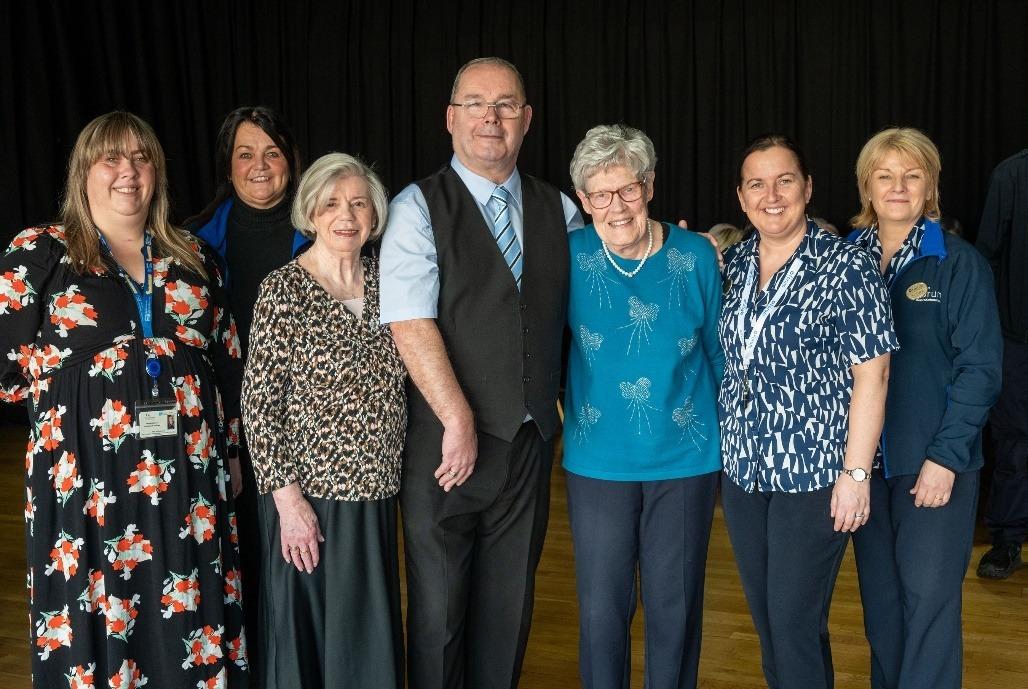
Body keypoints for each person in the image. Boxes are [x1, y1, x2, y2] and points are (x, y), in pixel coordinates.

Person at [0, 112, 247, 687]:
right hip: (86, 479)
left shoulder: (193, 257)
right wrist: (90, 392)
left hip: (188, 479)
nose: (127, 172)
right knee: (94, 609)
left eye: (140, 158)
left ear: (156, 171)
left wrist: (232, 451)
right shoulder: (40, 253)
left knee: (188, 613)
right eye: (111, 157)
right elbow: (8, 369)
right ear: (83, 171)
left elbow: (228, 363)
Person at [379, 56, 583, 689]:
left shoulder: (564, 210)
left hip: (526, 446)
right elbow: (410, 323)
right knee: (439, 616)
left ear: (526, 119)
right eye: (475, 103)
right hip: (445, 449)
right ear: (450, 118)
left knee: (508, 608)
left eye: (504, 105)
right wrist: (458, 417)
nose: (490, 118)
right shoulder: (415, 207)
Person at [718, 134, 896, 689]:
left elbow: (875, 373)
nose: (772, 195)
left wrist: (856, 475)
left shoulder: (846, 265)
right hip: (744, 470)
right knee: (772, 624)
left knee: (794, 620)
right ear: (742, 198)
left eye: (784, 180)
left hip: (814, 472)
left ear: (808, 188)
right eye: (757, 184)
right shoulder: (734, 264)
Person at [563, 124, 723, 689]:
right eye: (600, 195)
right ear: (583, 200)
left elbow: (720, 355)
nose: (616, 206)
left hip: (685, 459)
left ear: (649, 186)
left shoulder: (697, 254)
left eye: (627, 189)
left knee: (673, 608)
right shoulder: (570, 255)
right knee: (601, 611)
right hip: (598, 461)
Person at [242, 152, 405, 688]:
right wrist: (288, 503)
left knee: (365, 641)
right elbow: (259, 407)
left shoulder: (393, 283)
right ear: (310, 212)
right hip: (309, 500)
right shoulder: (283, 290)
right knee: (307, 641)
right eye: (332, 203)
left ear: (376, 216)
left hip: (377, 492)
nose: (347, 216)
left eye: (359, 203)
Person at [847, 127, 1002, 689]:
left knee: (929, 605)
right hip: (864, 467)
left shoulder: (958, 264)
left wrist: (946, 457)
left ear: (930, 185)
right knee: (882, 608)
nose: (898, 187)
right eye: (885, 175)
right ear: (866, 186)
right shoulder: (843, 261)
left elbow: (981, 369)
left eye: (912, 176)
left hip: (933, 465)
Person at [185, 106, 309, 666]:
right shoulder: (189, 245)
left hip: (308, 431)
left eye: (272, 153)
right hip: (226, 428)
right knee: (241, 561)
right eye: (245, 154)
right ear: (227, 166)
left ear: (292, 161)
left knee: (300, 563)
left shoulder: (327, 231)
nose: (260, 166)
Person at [975, 147, 1028, 579]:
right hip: (1018, 338)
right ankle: (1008, 541)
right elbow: (988, 256)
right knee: (1015, 443)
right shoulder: (1012, 174)